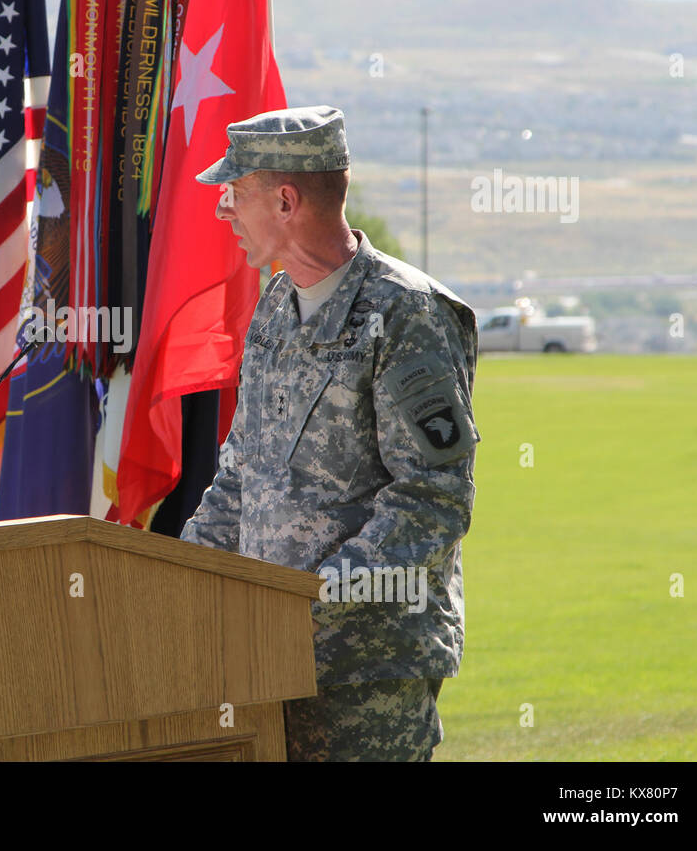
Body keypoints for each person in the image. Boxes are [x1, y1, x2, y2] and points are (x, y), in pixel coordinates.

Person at [180, 105, 480, 761]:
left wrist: (307, 604)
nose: (222, 209)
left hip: (366, 668)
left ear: (285, 201)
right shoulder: (274, 307)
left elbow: (432, 500)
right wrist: (176, 579)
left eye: (235, 192)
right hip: (264, 661)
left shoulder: (406, 313)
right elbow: (240, 475)